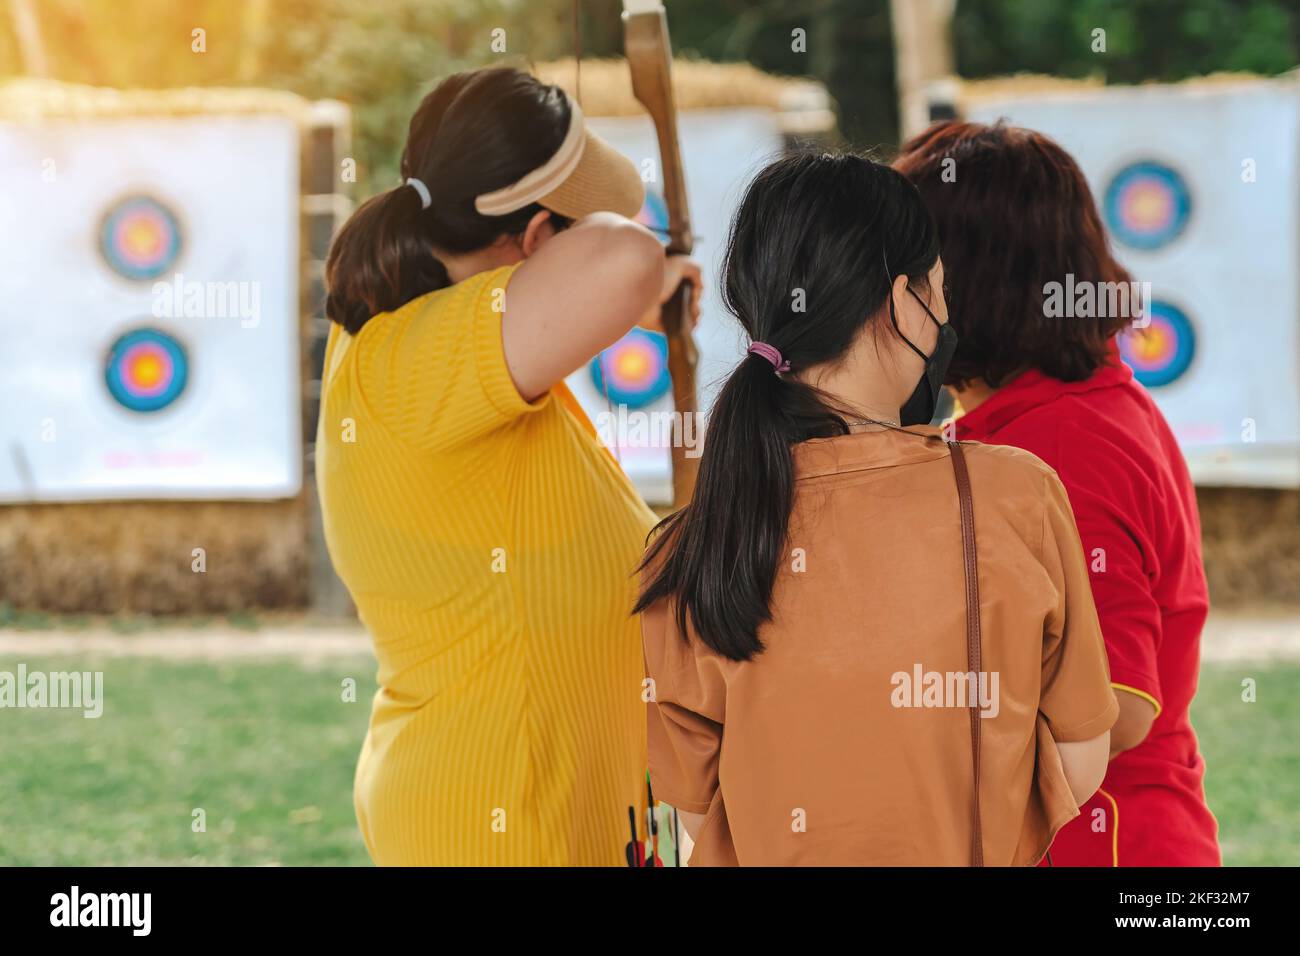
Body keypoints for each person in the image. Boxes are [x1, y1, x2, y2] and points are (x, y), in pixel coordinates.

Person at [636, 152, 1117, 866]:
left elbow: (698, 819)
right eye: (940, 292)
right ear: (901, 300)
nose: (946, 319)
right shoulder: (1015, 495)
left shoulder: (687, 549)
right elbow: (1081, 757)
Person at [317, 67, 700, 865]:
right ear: (532, 242)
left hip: (558, 812)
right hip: (499, 817)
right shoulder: (408, 364)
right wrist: (643, 279)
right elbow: (621, 257)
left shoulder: (469, 370)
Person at [895, 120, 1220, 866]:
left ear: (967, 281)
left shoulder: (1065, 446)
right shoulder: (1061, 417)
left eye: (908, 270)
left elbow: (1118, 708)